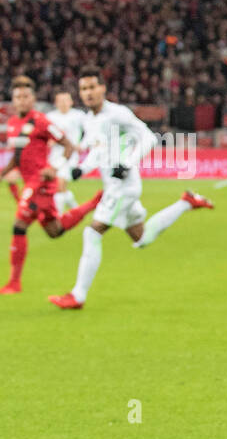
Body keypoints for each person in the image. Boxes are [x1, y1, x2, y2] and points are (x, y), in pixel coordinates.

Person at [48, 65, 213, 310]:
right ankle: (185, 202)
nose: (88, 92)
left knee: (92, 233)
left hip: (122, 187)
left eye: (93, 87)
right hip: (117, 186)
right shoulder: (91, 119)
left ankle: (78, 296)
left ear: (102, 88)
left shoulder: (118, 114)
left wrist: (127, 163)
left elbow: (148, 137)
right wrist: (82, 169)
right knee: (142, 238)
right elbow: (98, 149)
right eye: (84, 88)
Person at [0, 75, 100, 295]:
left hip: (40, 182)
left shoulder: (41, 121)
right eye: (17, 96)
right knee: (54, 230)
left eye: (25, 96)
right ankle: (95, 202)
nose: (21, 100)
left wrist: (55, 168)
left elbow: (67, 146)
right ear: (13, 100)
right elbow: (17, 156)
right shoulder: (12, 124)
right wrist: (2, 174)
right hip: (30, 182)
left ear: (33, 98)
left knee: (19, 225)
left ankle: (14, 283)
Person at [45, 89, 88, 211]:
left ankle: (58, 217)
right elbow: (45, 135)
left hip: (71, 155)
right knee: (59, 187)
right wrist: (49, 141)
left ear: (71, 102)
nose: (63, 103)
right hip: (55, 155)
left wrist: (83, 145)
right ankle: (77, 210)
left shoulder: (79, 115)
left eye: (66, 100)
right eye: (60, 101)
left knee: (60, 184)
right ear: (56, 102)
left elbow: (91, 131)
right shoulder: (50, 117)